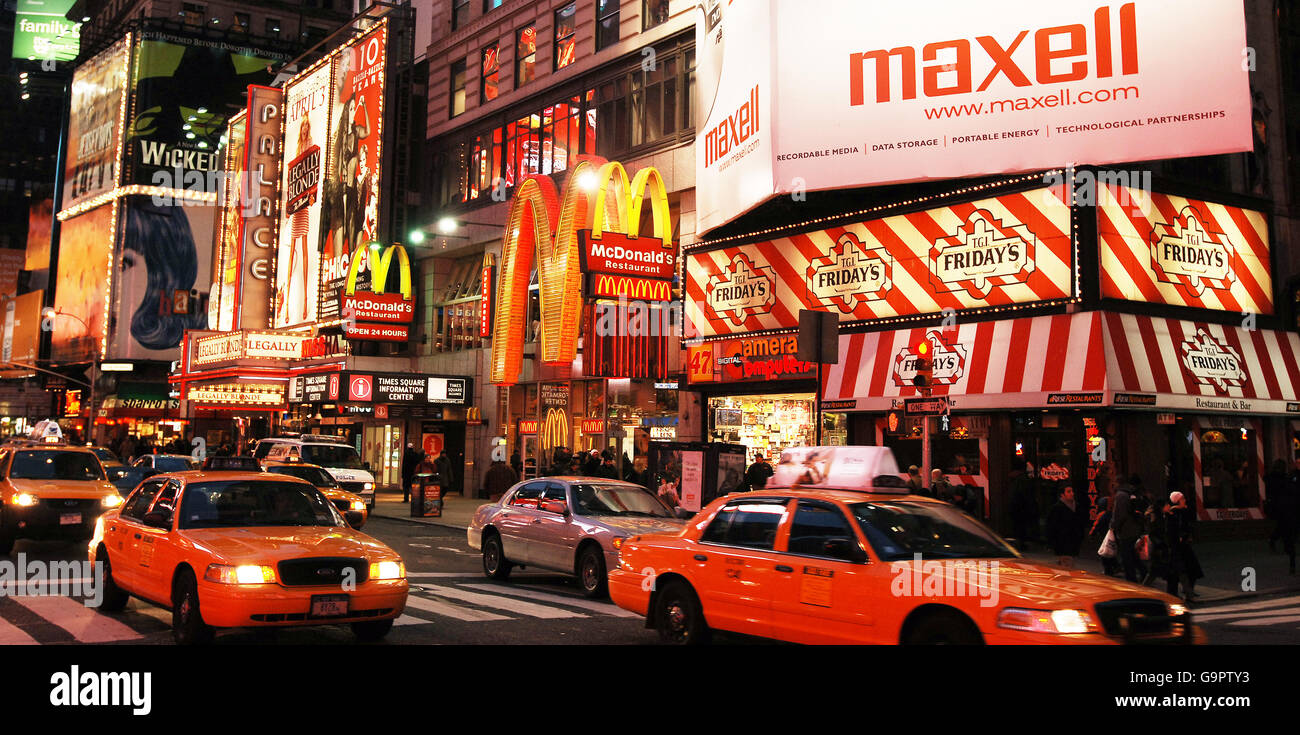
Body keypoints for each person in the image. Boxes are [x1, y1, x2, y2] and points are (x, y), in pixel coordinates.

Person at [1164, 491, 1204, 600]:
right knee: (1180, 571)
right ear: (1177, 501)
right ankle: (1186, 592)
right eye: (1182, 499)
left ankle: (1187, 591)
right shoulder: (1174, 513)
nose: (1184, 500)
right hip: (1178, 547)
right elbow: (1176, 529)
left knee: (1187, 570)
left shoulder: (1182, 512)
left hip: (1182, 545)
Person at [1111, 482, 1147, 583]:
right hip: (1135, 528)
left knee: (1126, 555)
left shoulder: (1120, 496)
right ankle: (1143, 571)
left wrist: (1114, 526)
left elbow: (1119, 514)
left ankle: (1131, 578)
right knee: (1131, 552)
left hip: (1125, 530)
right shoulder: (1130, 493)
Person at [1045, 486, 1084, 568]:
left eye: (1072, 491)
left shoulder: (1077, 506)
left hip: (1073, 541)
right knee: (1067, 564)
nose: (1072, 494)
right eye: (1068, 492)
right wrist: (1051, 542)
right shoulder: (1057, 508)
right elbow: (1052, 526)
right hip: (1062, 542)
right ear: (1062, 495)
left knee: (1067, 564)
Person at [1008, 461, 1038, 549]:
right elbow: (1025, 494)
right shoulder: (1023, 480)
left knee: (1017, 526)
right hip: (1021, 507)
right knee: (1022, 526)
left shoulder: (1014, 478)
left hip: (1015, 507)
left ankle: (1019, 543)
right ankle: (1021, 543)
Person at [1089, 496, 1119, 577]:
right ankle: (1115, 567)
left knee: (1104, 554)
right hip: (1112, 536)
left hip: (1104, 537)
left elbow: (1096, 525)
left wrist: (1092, 534)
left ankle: (1108, 570)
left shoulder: (1102, 514)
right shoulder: (1113, 513)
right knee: (1112, 553)